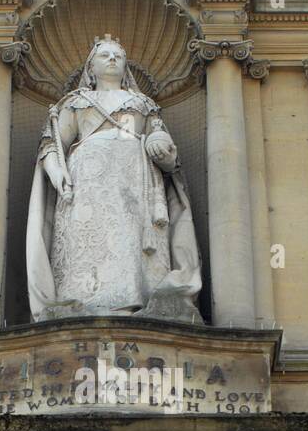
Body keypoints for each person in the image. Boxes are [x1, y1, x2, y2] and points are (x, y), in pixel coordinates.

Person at [26, 37, 202, 323]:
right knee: (88, 240)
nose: (111, 59)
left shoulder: (143, 104)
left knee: (129, 240)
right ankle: (82, 301)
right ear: (91, 67)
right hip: (86, 182)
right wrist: (57, 173)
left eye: (118, 56)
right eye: (104, 55)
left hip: (134, 179)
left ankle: (136, 301)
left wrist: (161, 148)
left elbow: (167, 156)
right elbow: (52, 144)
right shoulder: (76, 102)